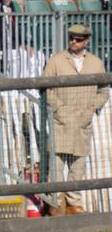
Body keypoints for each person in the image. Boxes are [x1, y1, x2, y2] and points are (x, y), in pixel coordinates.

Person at [42, 24, 108, 215]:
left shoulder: (96, 63)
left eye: (78, 39)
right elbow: (47, 88)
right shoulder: (56, 60)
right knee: (56, 164)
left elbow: (103, 90)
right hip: (60, 120)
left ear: (86, 41)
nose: (73, 41)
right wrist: (58, 108)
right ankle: (55, 201)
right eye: (71, 38)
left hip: (82, 121)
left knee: (78, 165)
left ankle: (74, 202)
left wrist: (92, 108)